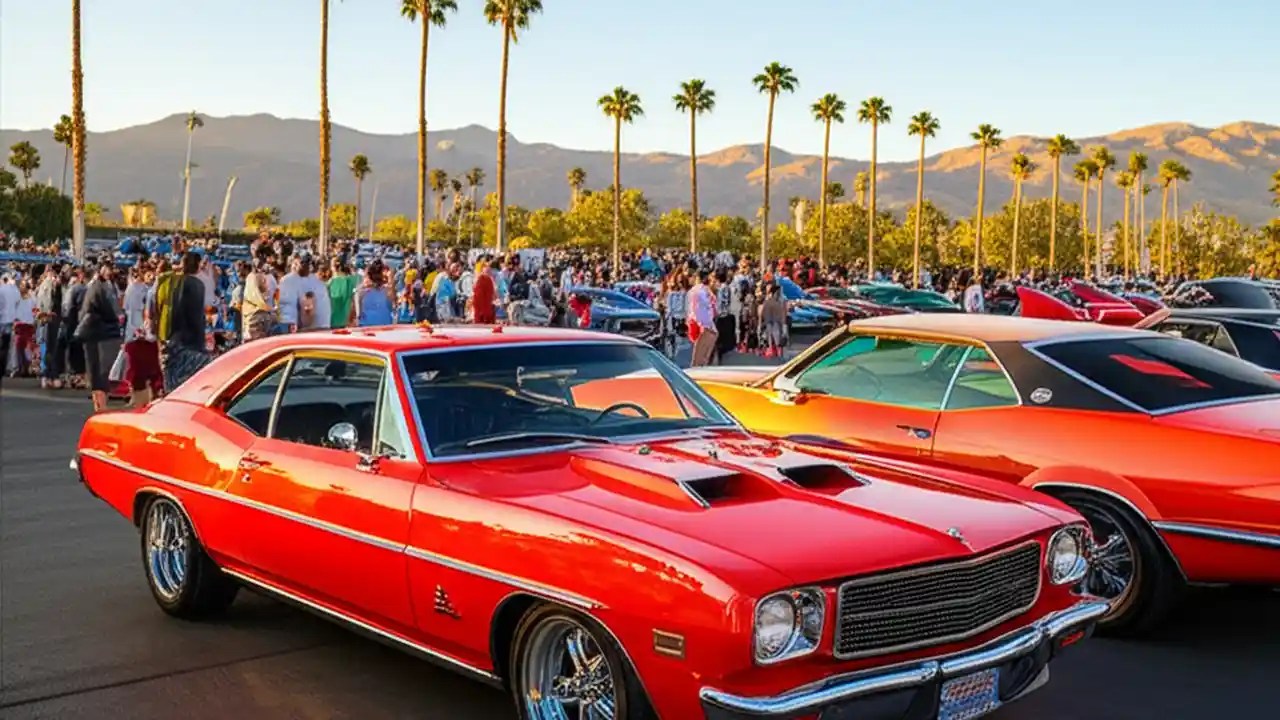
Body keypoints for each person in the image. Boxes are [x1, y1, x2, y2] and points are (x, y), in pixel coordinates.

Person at [76, 260, 123, 412]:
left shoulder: (99, 286)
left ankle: (99, 404)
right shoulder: (99, 287)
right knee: (101, 370)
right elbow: (107, 309)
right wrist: (118, 318)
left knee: (96, 369)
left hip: (93, 332)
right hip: (101, 333)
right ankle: (101, 405)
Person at [163, 252, 211, 392]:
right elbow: (197, 315)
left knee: (175, 382)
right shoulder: (198, 285)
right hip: (194, 338)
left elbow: (174, 310)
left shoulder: (177, 283)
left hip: (178, 337)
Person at [687, 270, 719, 367]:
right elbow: (697, 307)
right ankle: (698, 364)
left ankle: (699, 364)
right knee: (702, 344)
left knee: (703, 343)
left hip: (701, 320)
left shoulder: (699, 290)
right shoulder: (700, 290)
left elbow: (704, 307)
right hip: (701, 321)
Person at [355, 260, 395, 326]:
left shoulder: (361, 291)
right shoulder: (387, 290)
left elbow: (358, 314)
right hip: (385, 324)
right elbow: (392, 307)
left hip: (367, 325)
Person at [327, 256, 358, 328]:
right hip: (346, 318)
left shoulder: (330, 283)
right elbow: (353, 300)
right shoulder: (350, 281)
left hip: (333, 319)